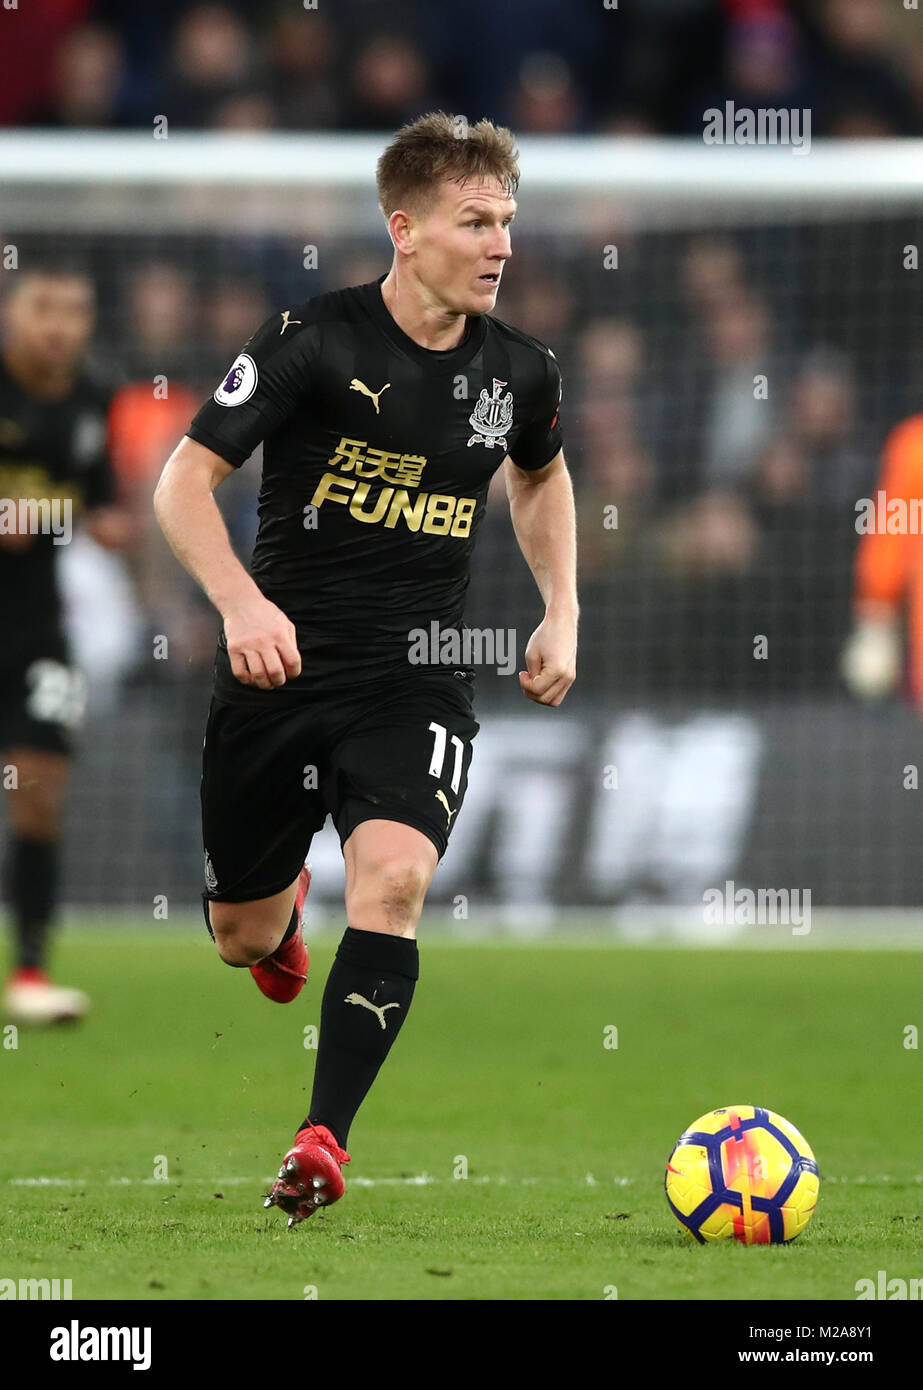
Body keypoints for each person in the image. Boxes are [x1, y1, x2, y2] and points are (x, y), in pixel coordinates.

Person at [154, 112, 578, 1226]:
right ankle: (278, 918)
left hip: (415, 679)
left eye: (507, 222)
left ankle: (320, 1140)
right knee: (240, 936)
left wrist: (560, 608)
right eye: (473, 221)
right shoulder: (310, 340)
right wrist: (241, 601)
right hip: (278, 668)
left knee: (391, 883)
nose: (499, 244)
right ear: (404, 228)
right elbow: (180, 484)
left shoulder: (520, 371)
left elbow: (538, 476)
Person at [0, 257, 133, 1023]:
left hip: (39, 629)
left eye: (74, 311)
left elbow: (103, 504)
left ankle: (28, 974)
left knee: (40, 797)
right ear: (14, 312)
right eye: (44, 308)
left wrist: (107, 526)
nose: (59, 327)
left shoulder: (94, 395)